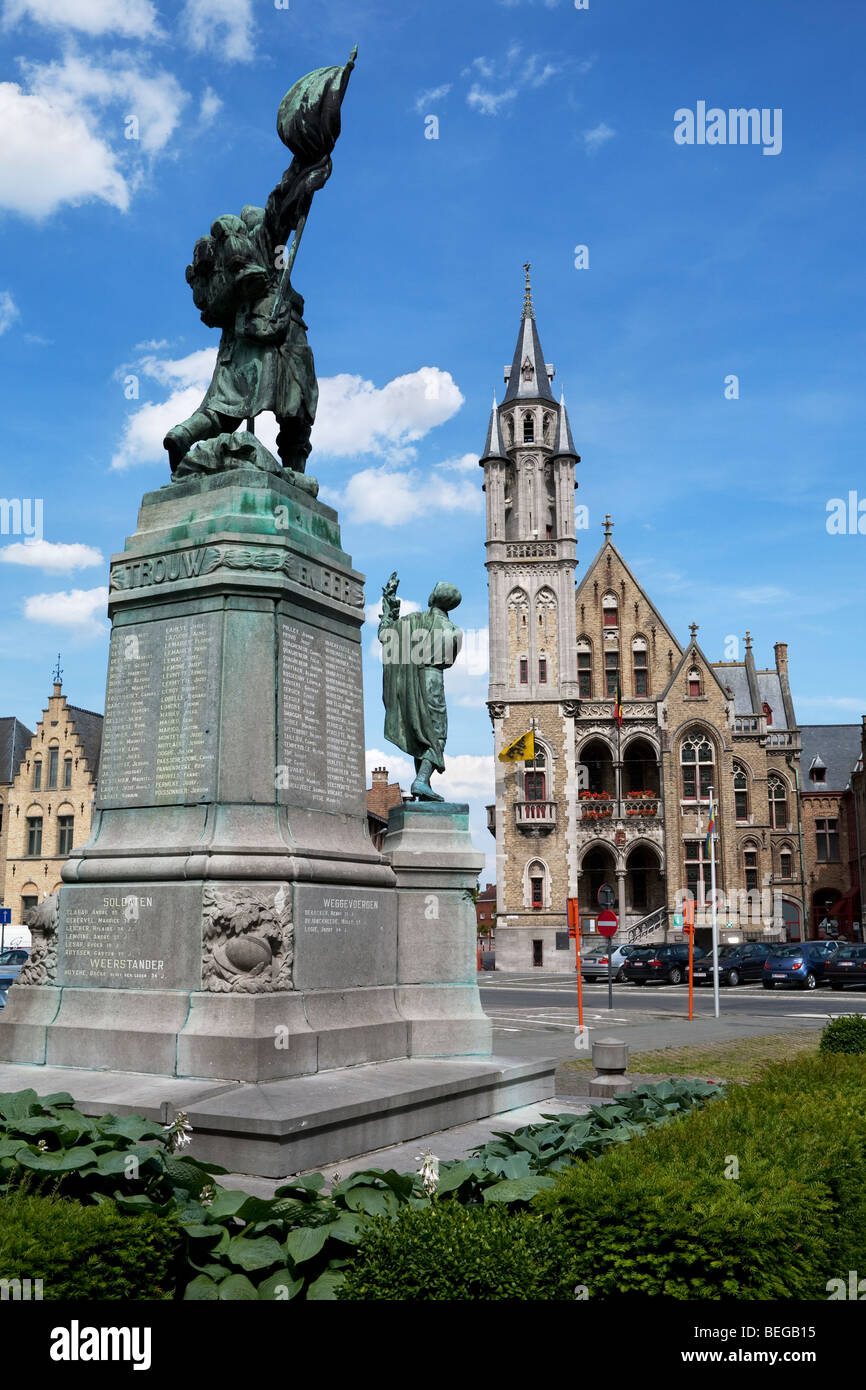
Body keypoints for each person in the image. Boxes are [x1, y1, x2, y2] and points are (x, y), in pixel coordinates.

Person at [378, 573, 462, 801]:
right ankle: (422, 781)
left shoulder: (414, 622)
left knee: (421, 735)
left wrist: (390, 606)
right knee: (437, 735)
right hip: (434, 681)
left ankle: (423, 783)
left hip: (412, 682)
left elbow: (385, 634)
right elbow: (450, 660)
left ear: (433, 597)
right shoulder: (455, 632)